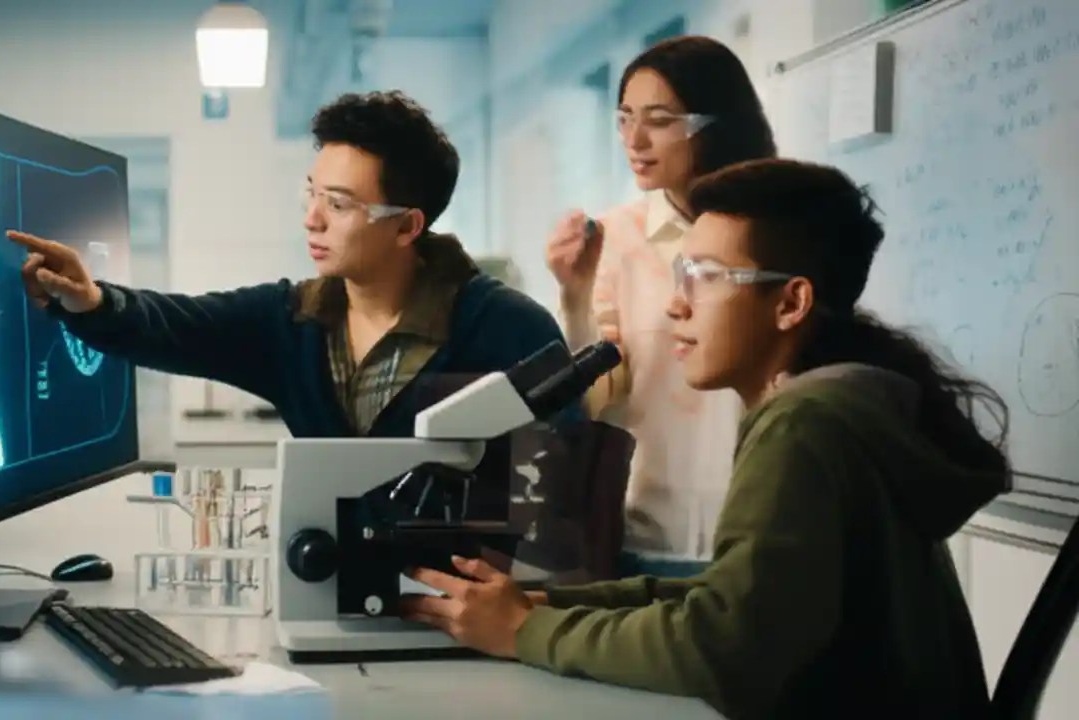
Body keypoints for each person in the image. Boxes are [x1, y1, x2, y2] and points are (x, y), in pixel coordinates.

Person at [402, 158, 1009, 718]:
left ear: (791, 302)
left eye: (706, 276)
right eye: (681, 273)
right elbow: (730, 598)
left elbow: (723, 645)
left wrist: (525, 633)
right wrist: (548, 608)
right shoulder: (844, 403)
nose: (677, 305)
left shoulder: (807, 423)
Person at [8, 91, 573, 439]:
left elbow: (571, 493)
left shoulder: (508, 330)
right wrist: (91, 301)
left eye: (339, 205)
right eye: (312, 194)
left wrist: (523, 594)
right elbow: (175, 324)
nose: (312, 219)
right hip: (323, 591)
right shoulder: (293, 321)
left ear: (407, 226)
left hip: (461, 601)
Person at [545, 36, 778, 578]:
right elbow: (595, 401)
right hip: (645, 536)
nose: (635, 139)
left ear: (716, 124)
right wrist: (574, 298)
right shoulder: (614, 239)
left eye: (659, 120)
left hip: (761, 531)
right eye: (625, 119)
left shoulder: (779, 235)